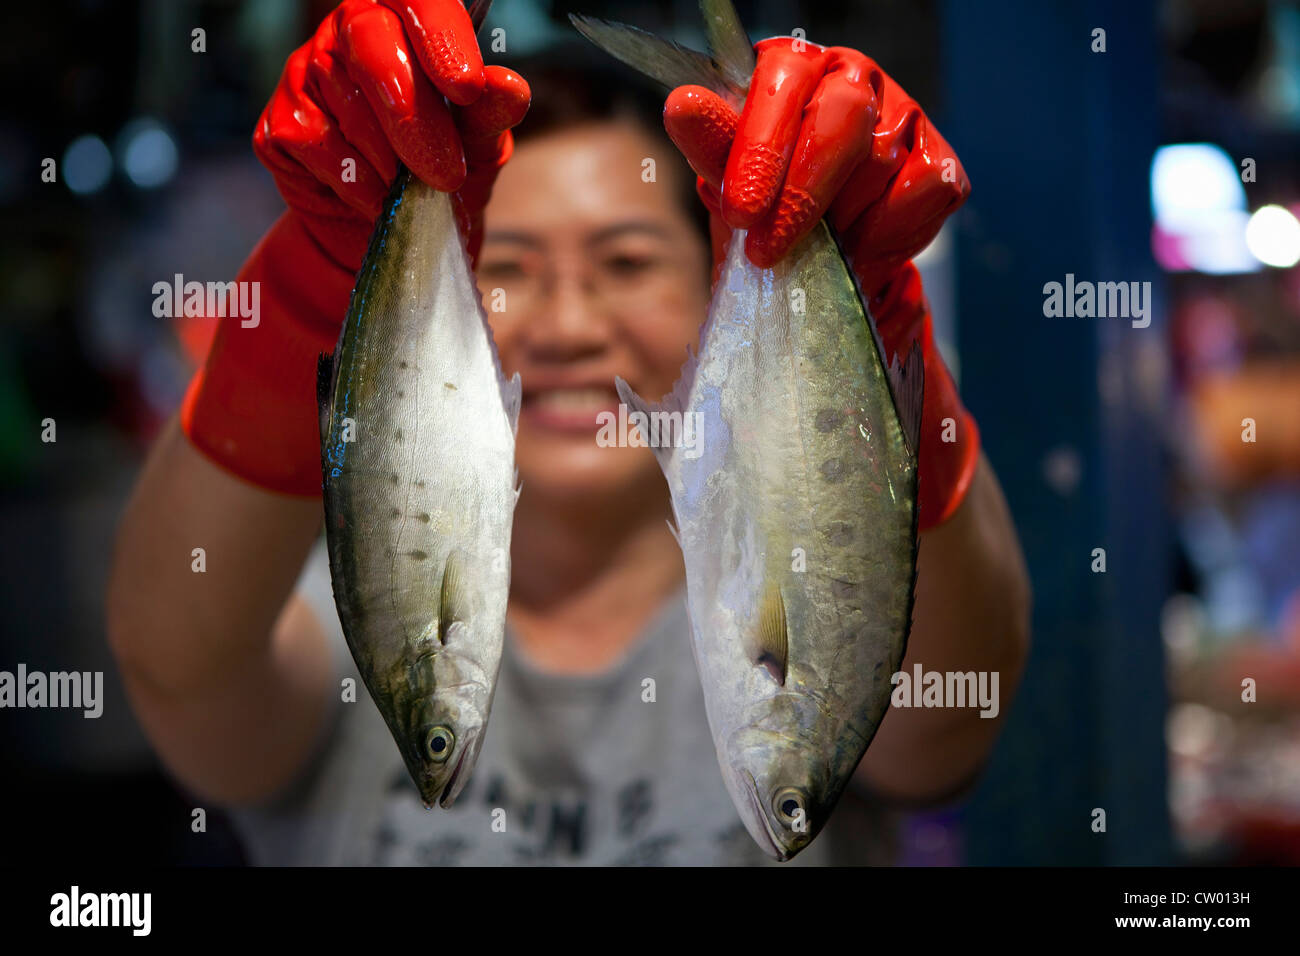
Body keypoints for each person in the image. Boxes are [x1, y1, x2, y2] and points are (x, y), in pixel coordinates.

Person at [106, 0, 1030, 865]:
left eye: (626, 259)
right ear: (457, 288)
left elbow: (955, 712)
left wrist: (863, 307)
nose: (567, 325)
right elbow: (181, 666)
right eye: (507, 263)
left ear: (711, 276)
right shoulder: (346, 615)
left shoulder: (834, 655)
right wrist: (319, 272)